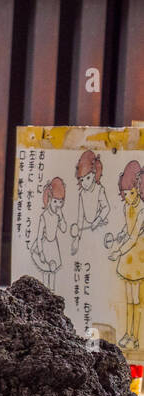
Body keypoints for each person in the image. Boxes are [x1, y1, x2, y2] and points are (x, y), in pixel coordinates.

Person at [105, 160, 144, 349]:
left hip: (138, 257)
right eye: (125, 193)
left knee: (136, 301)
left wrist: (118, 250)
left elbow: (135, 236)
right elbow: (126, 231)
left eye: (132, 193)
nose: (128, 197)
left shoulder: (142, 210)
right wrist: (115, 238)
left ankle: (135, 336)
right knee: (128, 299)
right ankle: (128, 334)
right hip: (127, 256)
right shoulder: (126, 206)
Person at [70, 150, 112, 255]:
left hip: (100, 226)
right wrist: (77, 239)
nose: (84, 183)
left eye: (87, 178)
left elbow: (106, 208)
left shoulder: (99, 189)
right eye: (82, 180)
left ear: (94, 173)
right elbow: (80, 218)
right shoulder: (82, 194)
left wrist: (97, 220)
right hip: (88, 229)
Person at [29, 177, 67, 290]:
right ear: (49, 199)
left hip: (53, 245)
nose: (58, 204)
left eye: (60, 202)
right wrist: (40, 252)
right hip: (44, 245)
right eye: (55, 201)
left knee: (53, 271)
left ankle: (53, 292)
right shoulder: (44, 216)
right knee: (46, 271)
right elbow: (39, 236)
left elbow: (64, 229)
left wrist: (61, 217)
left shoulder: (57, 215)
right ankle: (46, 292)